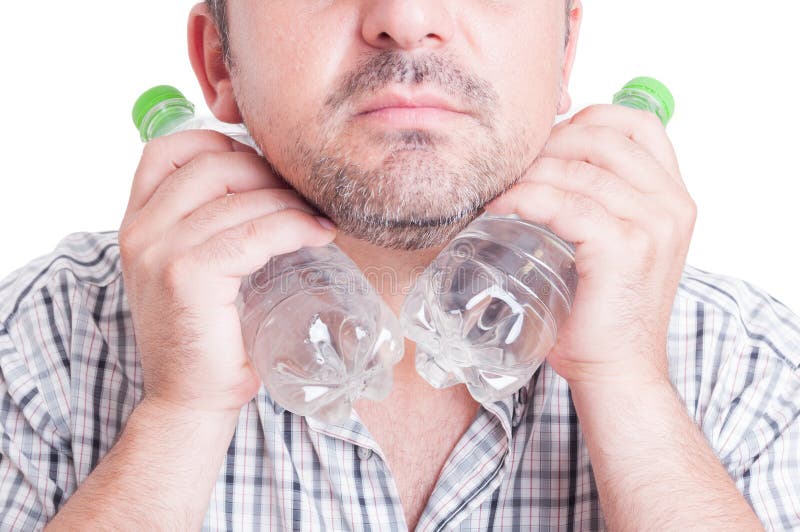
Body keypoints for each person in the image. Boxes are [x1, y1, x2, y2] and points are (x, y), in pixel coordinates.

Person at [1, 0, 797, 529]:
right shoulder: (39, 347)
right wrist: (177, 420)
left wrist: (633, 394)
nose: (406, 19)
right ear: (219, 64)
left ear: (564, 50)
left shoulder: (748, 367)